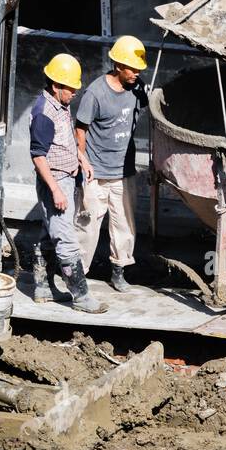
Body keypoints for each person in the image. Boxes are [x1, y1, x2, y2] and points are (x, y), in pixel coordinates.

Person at [30, 53, 107, 314]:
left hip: (66, 175)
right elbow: (39, 156)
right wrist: (55, 190)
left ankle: (42, 288)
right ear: (56, 86)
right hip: (55, 179)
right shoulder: (43, 114)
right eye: (71, 88)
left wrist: (82, 159)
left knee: (49, 234)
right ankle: (81, 296)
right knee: (65, 238)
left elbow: (67, 141)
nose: (74, 92)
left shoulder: (60, 105)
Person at [75, 35, 148, 293]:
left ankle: (119, 271)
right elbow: (80, 128)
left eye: (139, 68)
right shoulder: (96, 93)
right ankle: (77, 273)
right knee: (87, 224)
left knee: (124, 225)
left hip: (124, 171)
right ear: (117, 65)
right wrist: (83, 160)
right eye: (132, 68)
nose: (137, 72)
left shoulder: (137, 88)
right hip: (97, 170)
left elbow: (148, 105)